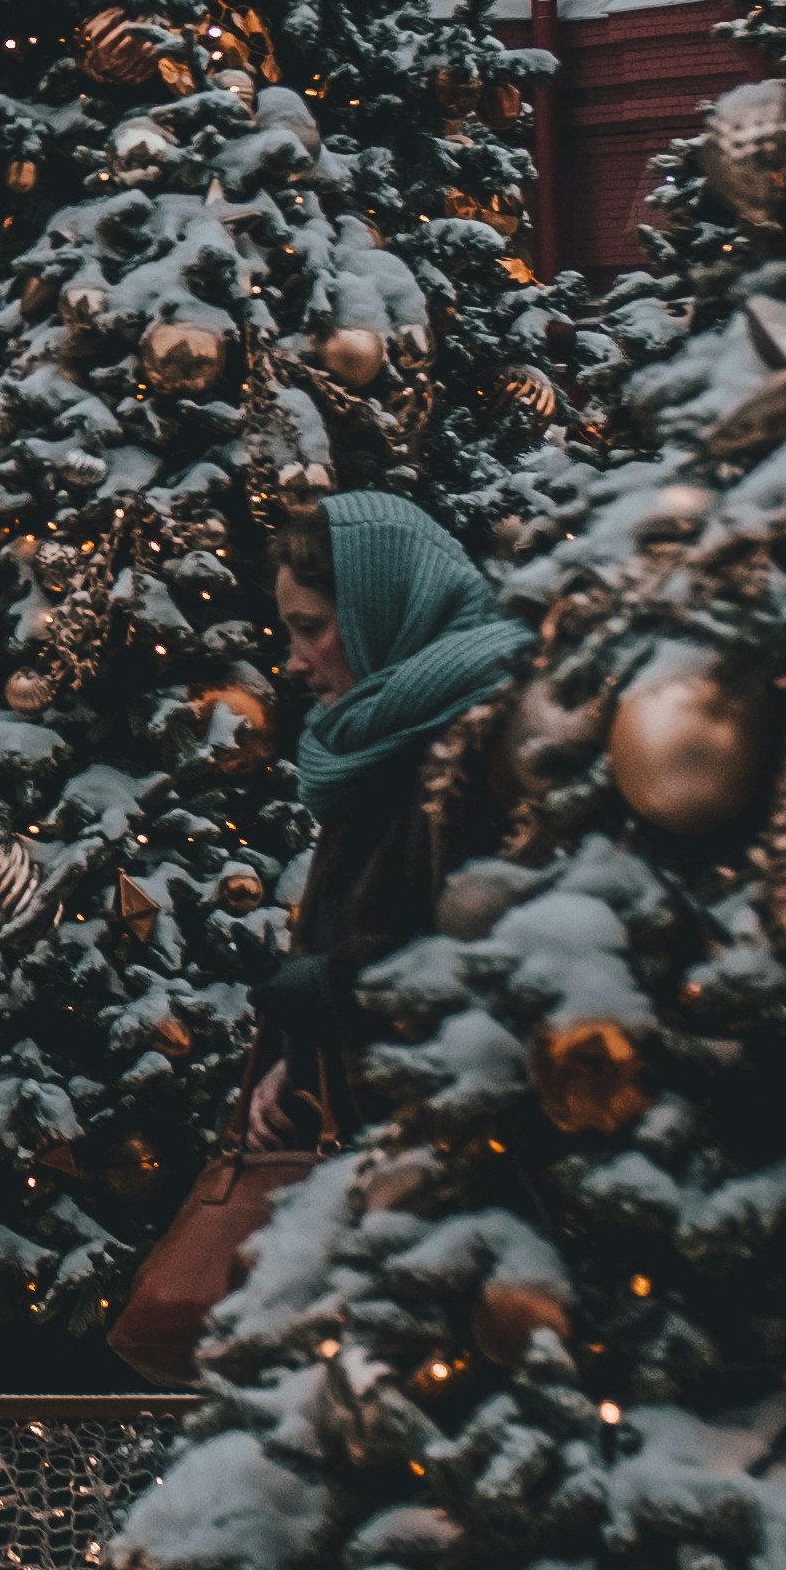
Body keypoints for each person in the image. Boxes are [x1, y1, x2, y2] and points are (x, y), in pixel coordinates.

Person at [243, 490, 524, 1145]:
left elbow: (511, 969)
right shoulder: (381, 741)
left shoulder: (495, 740)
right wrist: (303, 1062)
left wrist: (333, 989)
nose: (293, 662)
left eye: (311, 628)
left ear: (382, 608)